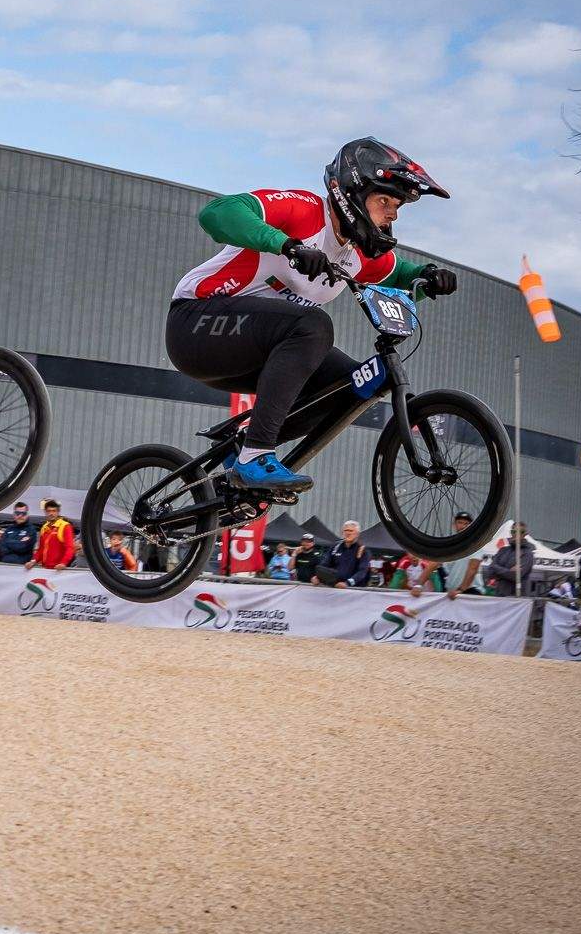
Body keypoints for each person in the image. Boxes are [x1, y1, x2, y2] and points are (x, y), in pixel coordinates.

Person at [166, 139, 456, 491]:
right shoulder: (304, 211)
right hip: (194, 326)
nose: (393, 214)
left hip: (256, 352)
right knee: (313, 326)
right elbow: (215, 214)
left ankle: (243, 444)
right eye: (385, 202)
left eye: (397, 207)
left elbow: (403, 275)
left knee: (355, 384)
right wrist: (287, 246)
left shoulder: (356, 254)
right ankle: (256, 455)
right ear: (353, 193)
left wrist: (429, 277)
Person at [480, 522, 536, 597]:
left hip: (517, 600)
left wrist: (496, 568)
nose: (515, 534)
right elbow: (490, 572)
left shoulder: (528, 553)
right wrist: (508, 571)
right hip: (499, 596)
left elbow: (516, 576)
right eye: (513, 531)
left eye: (519, 532)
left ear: (524, 534)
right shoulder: (503, 550)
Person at [316, 520, 375, 588]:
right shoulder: (335, 547)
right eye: (346, 530)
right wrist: (318, 577)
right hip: (335, 587)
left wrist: (348, 583)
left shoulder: (362, 550)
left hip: (354, 590)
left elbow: (362, 572)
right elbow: (324, 564)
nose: (348, 533)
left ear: (357, 534)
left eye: (351, 531)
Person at [34, 499, 77, 569]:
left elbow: (70, 548)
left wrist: (63, 563)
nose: (51, 513)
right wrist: (34, 560)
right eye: (49, 511)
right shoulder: (44, 528)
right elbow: (41, 549)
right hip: (45, 568)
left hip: (58, 569)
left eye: (54, 511)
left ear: (58, 512)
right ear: (45, 512)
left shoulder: (65, 526)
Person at [0, 502, 40, 566]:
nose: (20, 516)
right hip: (5, 566)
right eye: (17, 513)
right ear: (14, 514)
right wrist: (18, 543)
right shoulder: (9, 529)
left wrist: (8, 542)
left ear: (27, 515)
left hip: (23, 568)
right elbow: (2, 548)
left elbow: (23, 548)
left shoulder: (31, 530)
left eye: (23, 513)